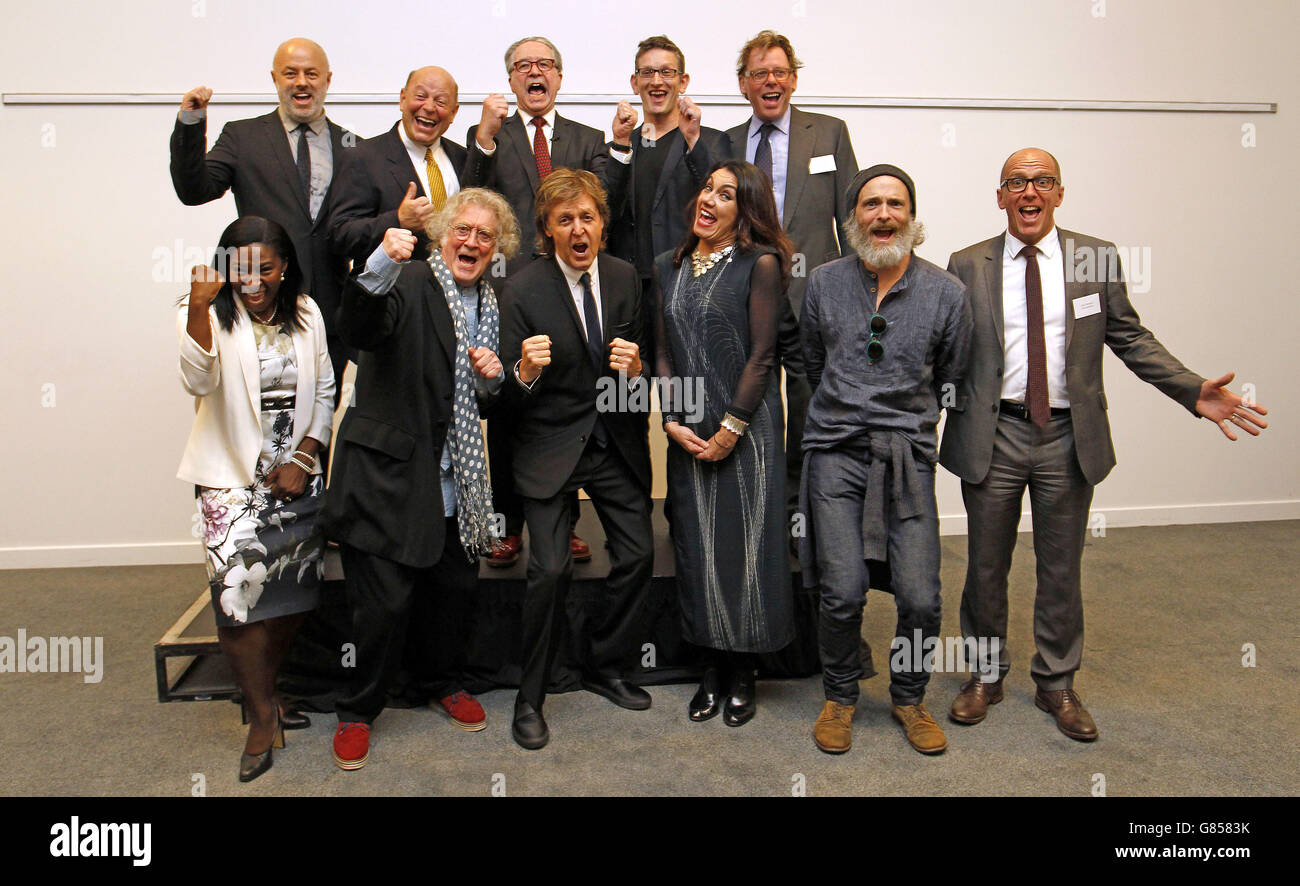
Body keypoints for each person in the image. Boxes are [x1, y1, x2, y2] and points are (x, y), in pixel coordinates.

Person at [941, 148, 1269, 741]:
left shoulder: (1095, 257)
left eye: (1042, 181)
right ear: (1000, 197)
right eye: (1016, 182)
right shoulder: (967, 264)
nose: (1029, 192)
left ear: (1060, 194)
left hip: (1068, 436)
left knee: (1061, 568)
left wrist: (1192, 389)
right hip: (994, 433)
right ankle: (984, 676)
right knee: (986, 565)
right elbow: (945, 348)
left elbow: (1130, 337)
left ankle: (1056, 683)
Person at [321, 188, 519, 770]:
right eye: (464, 230)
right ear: (443, 233)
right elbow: (358, 326)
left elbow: (473, 399)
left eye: (486, 236)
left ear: (496, 248)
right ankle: (357, 711)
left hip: (456, 483)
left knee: (454, 595)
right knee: (380, 609)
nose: (472, 243)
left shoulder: (492, 301)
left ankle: (442, 681)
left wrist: (493, 379)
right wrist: (379, 261)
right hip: (388, 477)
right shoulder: (407, 280)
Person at [801, 166, 971, 756]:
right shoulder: (822, 283)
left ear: (912, 215)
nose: (883, 215)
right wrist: (841, 415)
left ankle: (909, 697)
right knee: (842, 591)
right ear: (855, 218)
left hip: (906, 460)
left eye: (894, 204)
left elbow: (952, 374)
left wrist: (910, 429)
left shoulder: (947, 293)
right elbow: (809, 362)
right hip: (835, 453)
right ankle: (840, 697)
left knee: (921, 596)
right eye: (871, 204)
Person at [463, 35, 634, 568]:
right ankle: (510, 524)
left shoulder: (587, 138)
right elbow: (473, 200)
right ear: (511, 80)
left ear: (559, 77)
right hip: (514, 291)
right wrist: (485, 141)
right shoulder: (491, 135)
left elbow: (607, 202)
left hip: (576, 285)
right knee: (515, 403)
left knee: (574, 402)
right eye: (522, 67)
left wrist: (623, 148)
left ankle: (561, 518)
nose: (534, 74)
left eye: (544, 65)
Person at [497, 169, 654, 750]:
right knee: (550, 570)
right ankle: (530, 697)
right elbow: (507, 401)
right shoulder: (519, 287)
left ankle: (605, 665)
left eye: (587, 217)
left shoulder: (622, 278)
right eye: (566, 220)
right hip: (548, 446)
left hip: (612, 442)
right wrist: (526, 371)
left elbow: (633, 385)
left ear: (602, 225)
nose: (578, 228)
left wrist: (636, 375)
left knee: (637, 554)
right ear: (548, 229)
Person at [176, 216, 336, 782]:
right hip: (230, 480)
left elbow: (325, 388)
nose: (252, 281)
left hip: (296, 475)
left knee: (290, 595)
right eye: (240, 268)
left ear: (284, 266)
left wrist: (305, 457)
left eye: (264, 268)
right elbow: (196, 382)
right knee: (235, 602)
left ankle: (262, 691)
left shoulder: (309, 312)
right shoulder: (207, 314)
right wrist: (199, 305)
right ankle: (263, 714)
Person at [655, 160, 794, 726]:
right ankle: (709, 669)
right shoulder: (668, 264)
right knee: (697, 549)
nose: (709, 200)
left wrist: (731, 428)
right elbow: (661, 348)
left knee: (746, 552)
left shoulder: (758, 264)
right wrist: (670, 416)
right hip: (688, 432)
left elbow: (764, 355)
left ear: (746, 209)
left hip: (747, 432)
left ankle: (743, 673)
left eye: (726, 194)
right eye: (707, 189)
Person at [727, 30, 858, 524]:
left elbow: (852, 216)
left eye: (779, 71)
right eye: (759, 73)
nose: (771, 81)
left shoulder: (829, 133)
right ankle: (754, 506)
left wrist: (859, 294)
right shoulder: (727, 142)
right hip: (747, 295)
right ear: (743, 85)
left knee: (808, 404)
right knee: (751, 400)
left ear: (794, 80)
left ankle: (801, 511)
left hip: (812, 294)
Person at [170, 38, 353, 387]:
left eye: (311, 73)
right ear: (275, 78)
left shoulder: (353, 146)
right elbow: (193, 191)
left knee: (320, 413)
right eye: (291, 73)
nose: (301, 81)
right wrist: (191, 123)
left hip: (331, 313)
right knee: (258, 411)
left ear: (327, 80)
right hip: (260, 305)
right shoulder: (243, 137)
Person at [609, 35, 731, 365]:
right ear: (635, 83)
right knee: (624, 390)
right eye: (647, 73)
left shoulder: (712, 142)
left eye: (667, 72)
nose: (657, 81)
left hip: (688, 284)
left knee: (686, 387)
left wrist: (693, 140)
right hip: (630, 291)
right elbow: (605, 210)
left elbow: (724, 205)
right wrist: (619, 144)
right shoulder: (622, 144)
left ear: (683, 80)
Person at [329, 66, 472, 270]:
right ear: (402, 99)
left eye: (440, 101)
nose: (429, 107)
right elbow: (339, 236)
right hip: (392, 295)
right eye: (420, 96)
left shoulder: (462, 158)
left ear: (453, 112)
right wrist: (398, 220)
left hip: (455, 295)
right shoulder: (362, 157)